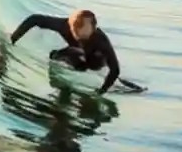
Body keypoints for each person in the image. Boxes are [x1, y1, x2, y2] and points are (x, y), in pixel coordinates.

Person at [8, 9, 139, 94]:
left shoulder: (101, 41)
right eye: (76, 31)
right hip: (76, 58)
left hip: (96, 62)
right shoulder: (65, 26)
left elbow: (115, 69)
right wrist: (13, 38)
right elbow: (35, 19)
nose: (79, 35)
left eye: (84, 33)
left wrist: (101, 91)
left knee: (89, 60)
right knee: (64, 54)